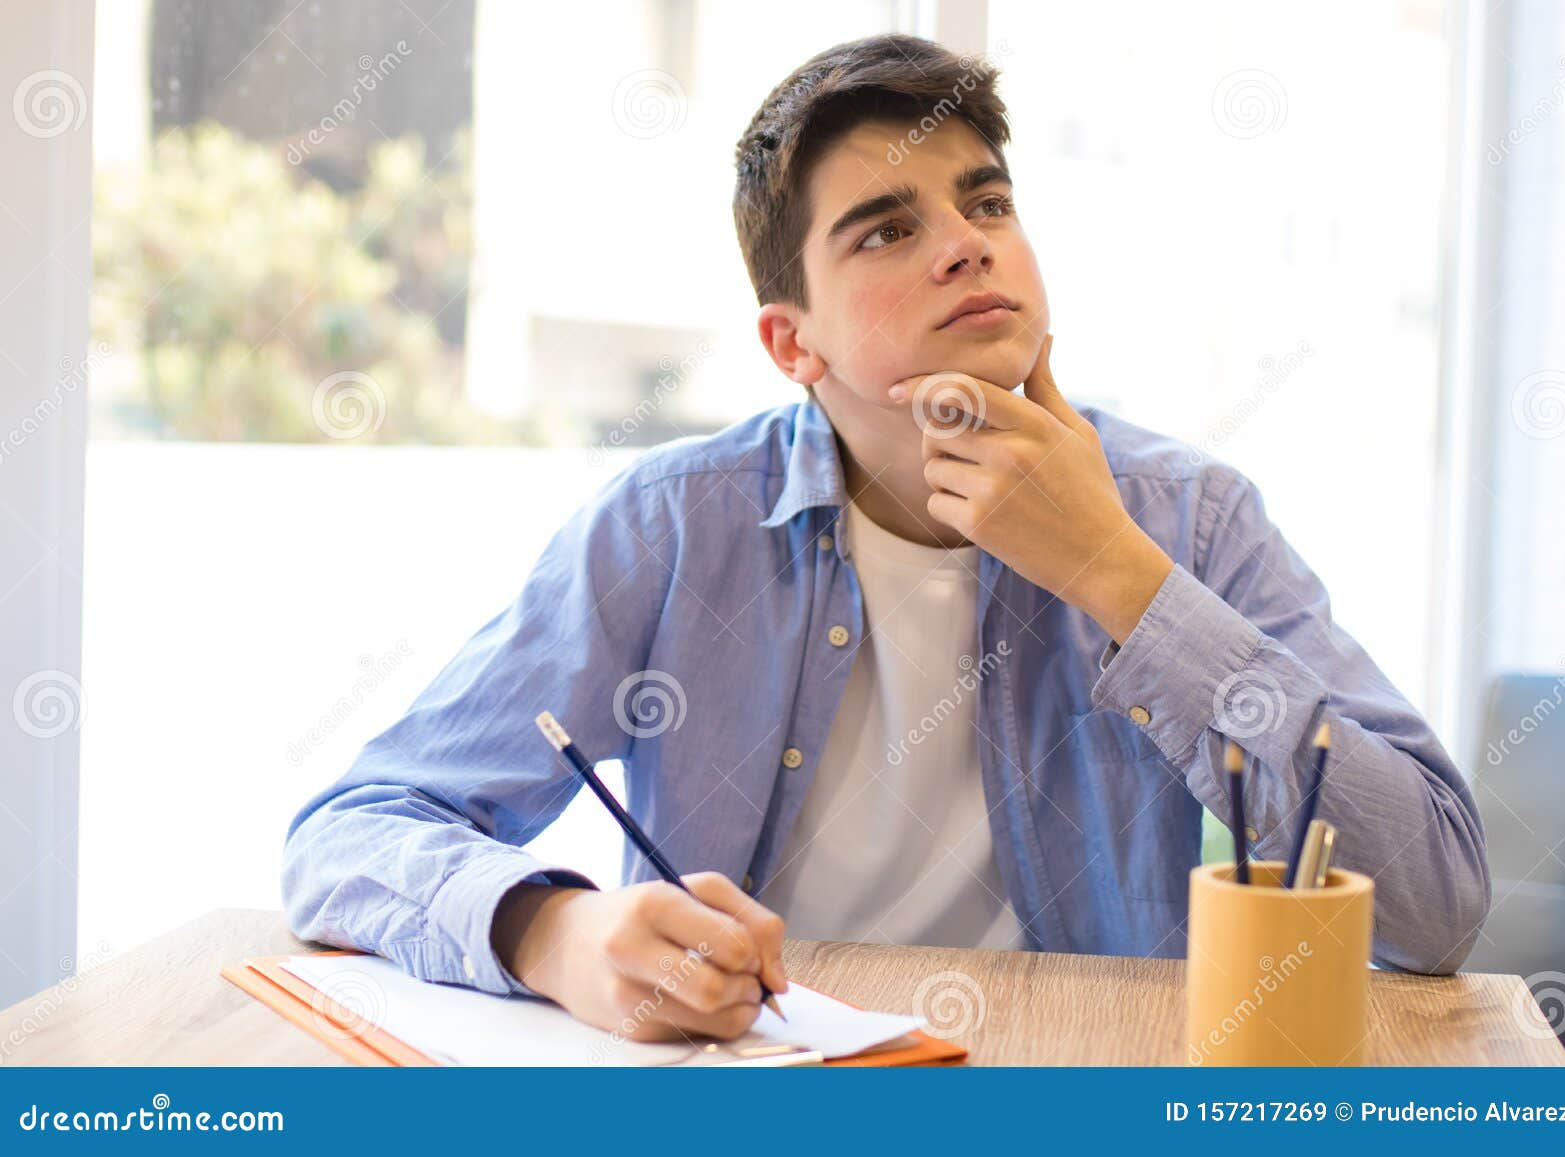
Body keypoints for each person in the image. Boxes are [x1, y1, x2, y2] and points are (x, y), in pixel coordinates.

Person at [282, 33, 1488, 1043]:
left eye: (987, 202)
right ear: (791, 343)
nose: (967, 242)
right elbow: (350, 832)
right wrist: (553, 929)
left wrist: (1116, 572)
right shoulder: (670, 526)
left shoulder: (1188, 516)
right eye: (884, 230)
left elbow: (1435, 902)